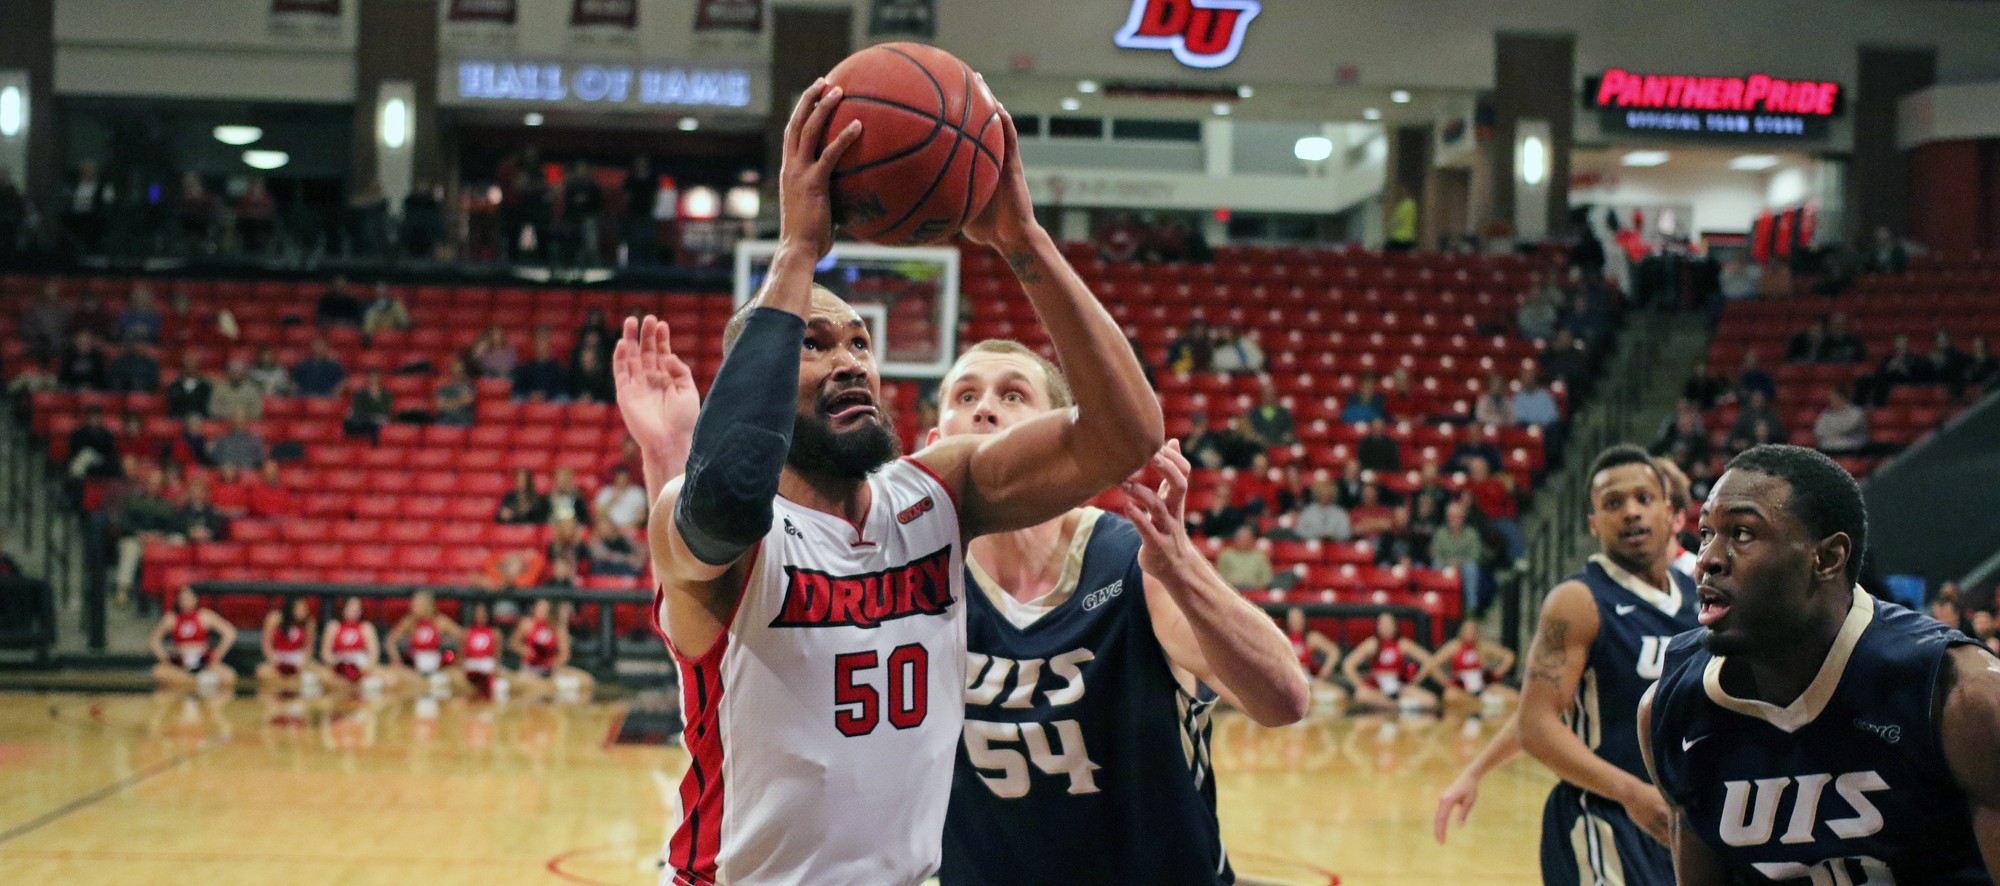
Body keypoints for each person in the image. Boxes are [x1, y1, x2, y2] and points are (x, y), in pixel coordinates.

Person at [617, 81, 1163, 885]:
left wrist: (1024, 241)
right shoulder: (729, 538)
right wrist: (796, 251)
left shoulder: (939, 493)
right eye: (811, 344)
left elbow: (1128, 434)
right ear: (757, 380)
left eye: (859, 343)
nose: (848, 361)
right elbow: (724, 498)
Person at [1640, 444, 2000, 883]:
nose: (1707, 560)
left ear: (1827, 558)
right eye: (1705, 534)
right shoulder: (1672, 708)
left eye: (1742, 533)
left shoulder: (1963, 697)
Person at [1433, 444, 1696, 886]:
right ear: (1594, 524)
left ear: (1670, 514)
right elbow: (1537, 722)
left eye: (1643, 498)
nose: (1631, 512)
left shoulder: (1697, 600)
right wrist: (1632, 793)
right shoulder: (1578, 601)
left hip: (1680, 824)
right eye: (1613, 503)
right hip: (1602, 817)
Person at [149, 587, 240, 694]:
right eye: (182, 599)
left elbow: (230, 632)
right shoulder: (171, 618)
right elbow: (154, 639)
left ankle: (193, 683)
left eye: (188, 598)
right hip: (180, 661)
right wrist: (164, 658)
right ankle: (199, 682)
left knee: (229, 676)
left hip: (203, 660)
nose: (185, 602)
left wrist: (218, 654)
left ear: (195, 599)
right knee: (158, 672)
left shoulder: (205, 615)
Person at [1342, 613, 1438, 713]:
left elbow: (1428, 660)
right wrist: (1360, 685)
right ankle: (1399, 706)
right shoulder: (1372, 644)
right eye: (1383, 625)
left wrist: (1416, 680)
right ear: (1378, 627)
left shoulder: (1403, 644)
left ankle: (1393, 706)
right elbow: (1348, 664)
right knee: (1361, 695)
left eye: (1389, 624)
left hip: (1398, 685)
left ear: (1395, 626)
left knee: (1431, 701)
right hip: (1377, 687)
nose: (1386, 628)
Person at [1419, 619, 1517, 712]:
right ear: (1461, 632)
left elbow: (1509, 656)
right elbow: (1431, 664)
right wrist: (1444, 681)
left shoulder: (1483, 646)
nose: (1470, 633)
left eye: (1472, 630)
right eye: (1467, 630)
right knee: (1450, 697)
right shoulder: (1453, 646)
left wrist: (1497, 673)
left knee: (1514, 698)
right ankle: (1480, 705)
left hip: (1481, 682)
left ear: (1477, 633)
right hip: (1461, 685)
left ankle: (1483, 704)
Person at [510, 598, 593, 702]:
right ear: (534, 608)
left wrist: (553, 663)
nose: (542, 611)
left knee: (587, 680)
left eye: (545, 609)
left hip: (552, 671)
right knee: (525, 686)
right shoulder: (526, 624)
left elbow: (565, 654)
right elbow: (513, 643)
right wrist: (524, 650)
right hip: (530, 670)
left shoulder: (558, 627)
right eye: (540, 608)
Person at [386, 591, 465, 698]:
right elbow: (391, 640)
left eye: (417, 604)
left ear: (427, 605)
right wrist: (396, 661)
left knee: (459, 676)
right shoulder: (410, 622)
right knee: (391, 675)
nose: (413, 607)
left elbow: (463, 637)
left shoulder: (440, 621)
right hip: (415, 672)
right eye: (413, 604)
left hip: (438, 670)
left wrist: (459, 659)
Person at [320, 596, 387, 696]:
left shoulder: (366, 627)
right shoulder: (333, 626)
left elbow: (374, 654)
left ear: (360, 612)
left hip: (361, 664)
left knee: (388, 680)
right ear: (344, 608)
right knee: (321, 678)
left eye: (357, 609)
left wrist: (363, 669)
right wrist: (338, 665)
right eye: (350, 607)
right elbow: (325, 653)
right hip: (339, 663)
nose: (353, 611)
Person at [255, 597, 323, 695]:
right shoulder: (274, 618)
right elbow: (266, 645)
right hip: (277, 658)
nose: (301, 612)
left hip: (298, 659)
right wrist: (275, 663)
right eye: (298, 608)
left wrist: (301, 664)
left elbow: (309, 648)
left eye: (304, 609)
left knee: (321, 674)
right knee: (262, 672)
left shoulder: (309, 622)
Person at [1284, 607, 1349, 706]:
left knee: (1341, 695)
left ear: (1304, 620)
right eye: (1293, 619)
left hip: (1305, 677)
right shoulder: (1282, 637)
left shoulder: (1311, 637)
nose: (1296, 622)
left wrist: (1324, 673)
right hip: (1287, 678)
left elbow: (1334, 652)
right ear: (1288, 621)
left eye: (1298, 619)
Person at [454, 602, 509, 701]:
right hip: (470, 664)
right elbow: (461, 653)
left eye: (483, 613)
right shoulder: (466, 632)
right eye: (477, 613)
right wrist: (461, 669)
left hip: (487, 664)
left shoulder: (495, 633)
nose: (480, 616)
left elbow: (497, 655)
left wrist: (495, 669)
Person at [513, 329, 570, 402]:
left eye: (544, 342)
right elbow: (518, 388)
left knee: (563, 398)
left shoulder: (558, 368)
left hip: (552, 401)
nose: (541, 346)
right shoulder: (526, 367)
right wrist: (530, 395)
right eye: (539, 343)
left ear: (549, 345)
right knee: (516, 399)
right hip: (529, 400)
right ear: (534, 346)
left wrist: (545, 395)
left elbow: (562, 388)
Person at [1214, 524, 1274, 591]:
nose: (1243, 541)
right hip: (1230, 590)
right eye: (1241, 538)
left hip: (1254, 591)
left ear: (1252, 540)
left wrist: (1256, 588)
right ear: (1235, 539)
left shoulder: (1260, 556)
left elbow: (1265, 579)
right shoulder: (1226, 554)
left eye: (1246, 538)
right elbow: (1220, 576)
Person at [1812, 386, 1870, 454]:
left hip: (1852, 445)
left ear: (1842, 398)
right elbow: (1818, 431)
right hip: (1830, 444)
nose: (1831, 401)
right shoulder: (1826, 414)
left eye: (1834, 398)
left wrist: (1831, 431)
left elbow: (1847, 429)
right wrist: (1834, 432)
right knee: (1823, 445)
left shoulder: (1856, 412)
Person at [343, 369, 393, 441]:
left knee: (379, 424)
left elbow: (384, 411)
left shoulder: (386, 395)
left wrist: (375, 397)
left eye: (375, 378)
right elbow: (358, 412)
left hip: (378, 423)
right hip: (364, 422)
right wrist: (371, 416)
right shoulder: (359, 394)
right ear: (367, 379)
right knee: (348, 423)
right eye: (371, 377)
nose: (373, 380)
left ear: (380, 379)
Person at [1246, 379, 1296, 447]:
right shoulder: (1254, 413)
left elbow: (1289, 432)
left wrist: (1286, 438)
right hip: (1259, 448)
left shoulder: (1284, 413)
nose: (1269, 396)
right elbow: (1250, 433)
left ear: (1275, 394)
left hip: (1279, 448)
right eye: (1267, 393)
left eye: (1271, 393)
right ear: (1262, 394)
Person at [433, 359, 477, 426]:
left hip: (462, 421)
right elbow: (440, 405)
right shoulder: (444, 388)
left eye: (460, 371)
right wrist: (458, 402)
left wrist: (447, 403)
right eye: (455, 371)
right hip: (444, 421)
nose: (457, 373)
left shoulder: (470, 386)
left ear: (464, 372)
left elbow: (468, 401)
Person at [1385, 186, 1418, 252]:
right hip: (1410, 237)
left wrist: (1388, 227)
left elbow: (1396, 222)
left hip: (1400, 238)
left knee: (1387, 250)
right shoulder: (1413, 205)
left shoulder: (1402, 206)